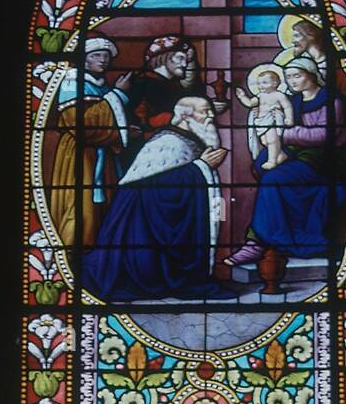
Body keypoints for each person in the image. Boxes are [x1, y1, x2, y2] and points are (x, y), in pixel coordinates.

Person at [82, 96, 227, 300]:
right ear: (185, 116)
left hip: (156, 223)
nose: (211, 116)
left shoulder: (189, 139)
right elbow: (158, 191)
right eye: (204, 111)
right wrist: (200, 167)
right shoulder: (169, 143)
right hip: (143, 229)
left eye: (211, 110)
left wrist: (201, 168)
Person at [224, 54, 346, 269]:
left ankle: (257, 242)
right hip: (299, 153)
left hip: (326, 159)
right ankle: (274, 236)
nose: (292, 81)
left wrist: (284, 134)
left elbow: (323, 136)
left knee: (273, 180)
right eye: (288, 77)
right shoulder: (295, 100)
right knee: (263, 165)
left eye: (297, 76)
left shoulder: (331, 100)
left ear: (311, 75)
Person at [50, 38, 131, 246]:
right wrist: (119, 94)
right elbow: (80, 125)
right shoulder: (72, 84)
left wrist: (125, 132)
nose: (103, 60)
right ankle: (71, 254)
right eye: (96, 55)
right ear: (84, 60)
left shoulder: (102, 88)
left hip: (104, 159)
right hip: (80, 157)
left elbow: (106, 124)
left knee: (103, 211)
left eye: (106, 56)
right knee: (80, 208)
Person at [120, 36, 206, 141]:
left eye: (186, 60)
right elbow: (140, 121)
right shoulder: (143, 83)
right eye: (180, 58)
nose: (184, 64)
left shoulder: (172, 85)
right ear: (164, 57)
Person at [236, 66, 294, 169]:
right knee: (265, 142)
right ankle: (280, 154)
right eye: (258, 83)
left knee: (272, 140)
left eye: (264, 83)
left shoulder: (279, 95)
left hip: (272, 121)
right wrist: (242, 97)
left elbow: (287, 106)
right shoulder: (260, 95)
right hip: (261, 122)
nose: (260, 86)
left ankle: (272, 161)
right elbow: (250, 103)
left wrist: (289, 118)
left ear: (275, 83)